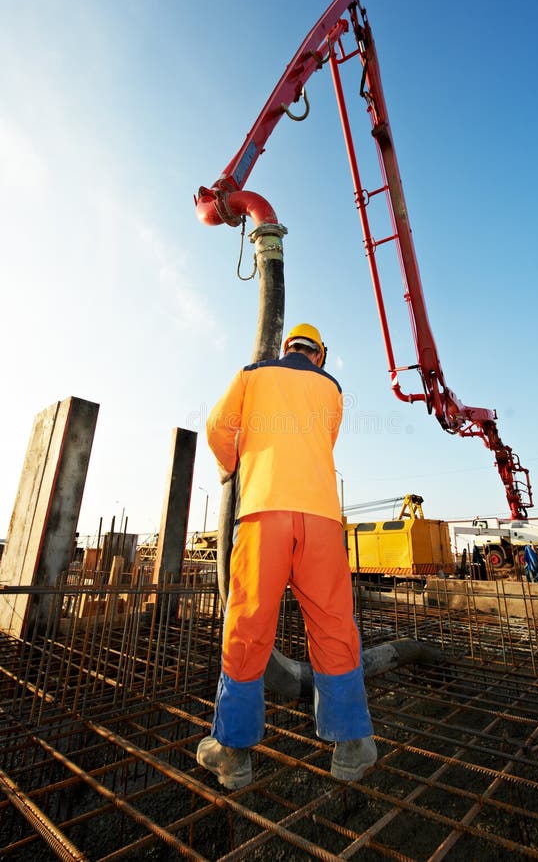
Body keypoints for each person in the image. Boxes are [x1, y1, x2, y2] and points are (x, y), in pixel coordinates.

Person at [197, 323, 376, 789]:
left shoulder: (252, 374)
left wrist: (233, 464)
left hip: (263, 513)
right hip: (320, 517)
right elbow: (325, 440)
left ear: (285, 348)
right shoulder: (331, 388)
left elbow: (217, 427)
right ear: (319, 354)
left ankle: (233, 752)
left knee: (249, 623)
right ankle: (352, 746)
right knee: (334, 623)